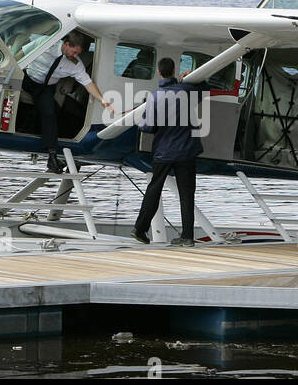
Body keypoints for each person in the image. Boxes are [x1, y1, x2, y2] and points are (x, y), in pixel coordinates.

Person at [132, 57, 206, 247]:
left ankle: (140, 229)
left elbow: (146, 128)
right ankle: (187, 236)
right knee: (187, 194)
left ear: (159, 72)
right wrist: (191, 78)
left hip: (163, 152)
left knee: (154, 190)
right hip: (187, 151)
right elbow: (204, 90)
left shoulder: (155, 96)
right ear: (174, 70)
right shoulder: (187, 90)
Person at [23, 30, 114, 172]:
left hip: (46, 87)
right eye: (74, 52)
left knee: (50, 113)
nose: (75, 56)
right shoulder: (45, 43)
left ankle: (52, 155)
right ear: (66, 44)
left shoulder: (75, 64)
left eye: (78, 53)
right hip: (27, 78)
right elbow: (21, 54)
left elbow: (87, 83)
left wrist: (102, 99)